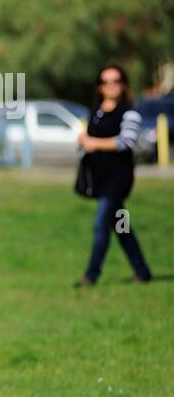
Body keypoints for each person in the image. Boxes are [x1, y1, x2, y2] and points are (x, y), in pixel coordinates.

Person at [75, 64, 152, 286]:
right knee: (122, 226)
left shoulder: (129, 111)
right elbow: (90, 139)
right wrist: (83, 143)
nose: (111, 86)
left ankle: (91, 275)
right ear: (100, 86)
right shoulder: (96, 110)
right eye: (106, 81)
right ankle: (142, 271)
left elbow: (126, 142)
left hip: (118, 178)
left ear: (123, 84)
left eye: (116, 81)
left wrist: (93, 143)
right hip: (100, 176)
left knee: (101, 224)